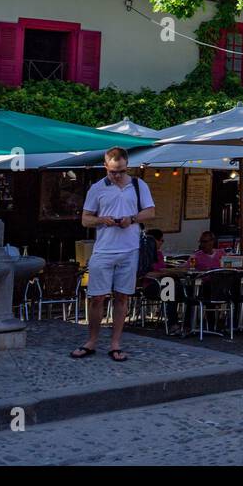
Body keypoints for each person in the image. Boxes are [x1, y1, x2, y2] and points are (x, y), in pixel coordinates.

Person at [73, 147, 156, 362]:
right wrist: (103, 219)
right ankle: (91, 341)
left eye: (120, 171)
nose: (117, 175)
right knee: (97, 297)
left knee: (122, 296)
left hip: (129, 249)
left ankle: (115, 343)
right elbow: (85, 219)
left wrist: (132, 219)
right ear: (105, 167)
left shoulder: (139, 185)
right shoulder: (97, 188)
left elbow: (151, 211)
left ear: (127, 166)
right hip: (104, 249)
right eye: (112, 171)